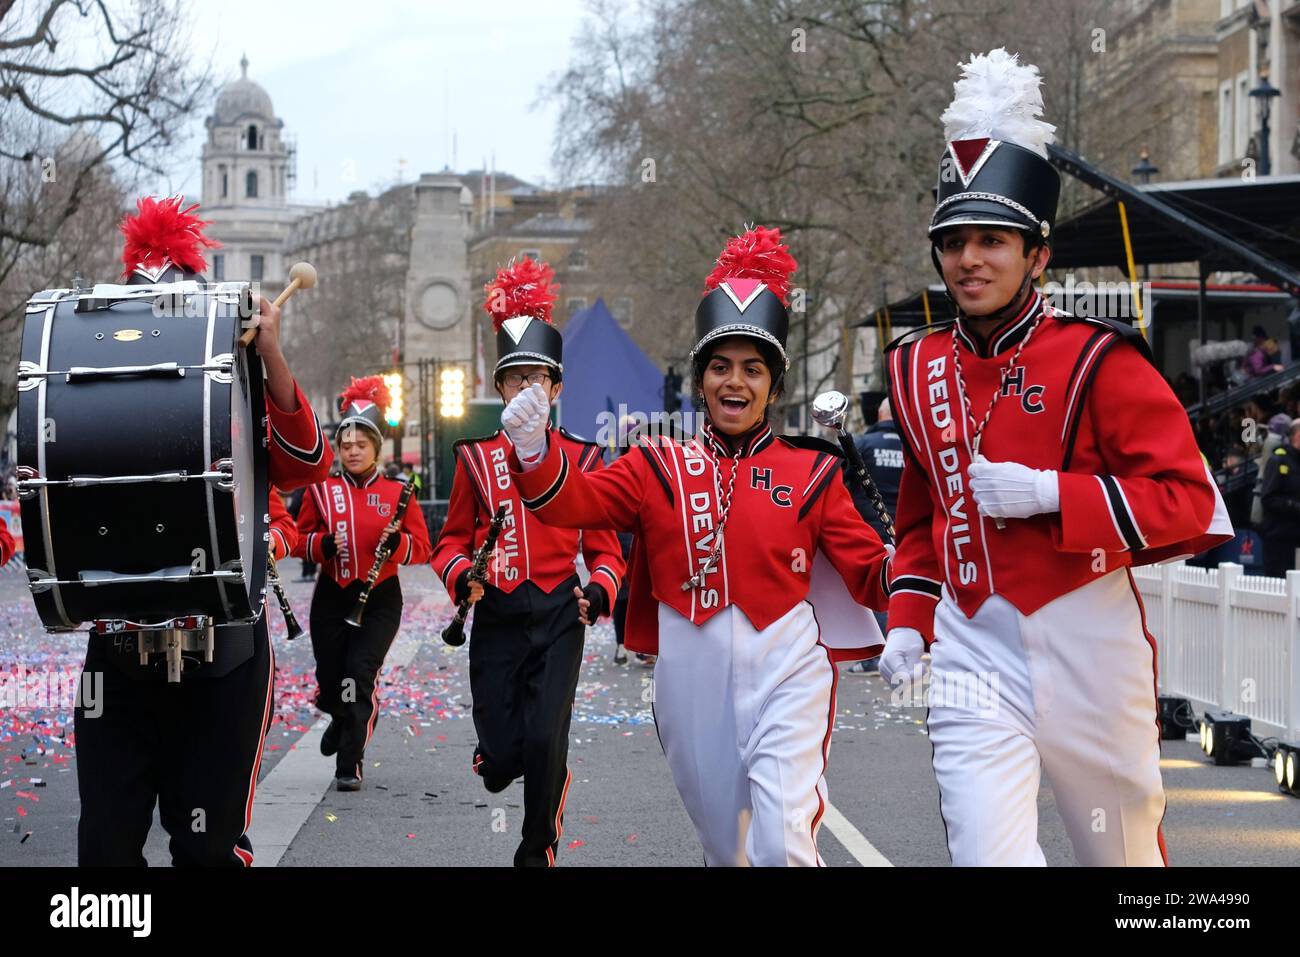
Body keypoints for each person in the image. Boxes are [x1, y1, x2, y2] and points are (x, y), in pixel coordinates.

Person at [878, 51, 1232, 867]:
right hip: (971, 647)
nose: (970, 259)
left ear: (1038, 254)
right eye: (954, 241)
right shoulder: (913, 366)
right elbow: (922, 519)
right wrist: (906, 620)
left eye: (993, 241)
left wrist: (1052, 494)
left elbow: (1193, 503)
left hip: (1089, 645)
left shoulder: (1101, 359)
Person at [505, 227, 891, 866]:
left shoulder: (814, 471)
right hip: (688, 677)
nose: (734, 382)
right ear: (700, 379)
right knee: (727, 850)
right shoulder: (653, 464)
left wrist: (925, 581)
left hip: (789, 667)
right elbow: (571, 505)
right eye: (720, 366)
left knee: (782, 840)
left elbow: (871, 572)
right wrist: (534, 452)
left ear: (774, 385)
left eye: (752, 368)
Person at [74, 197, 332, 866]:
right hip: (120, 651)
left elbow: (307, 464)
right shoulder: (96, 380)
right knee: (104, 849)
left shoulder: (239, 363)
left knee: (206, 849)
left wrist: (270, 350)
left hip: (224, 652)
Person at [430, 257, 626, 867]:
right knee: (501, 758)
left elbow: (605, 549)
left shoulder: (586, 459)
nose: (525, 391)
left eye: (536, 380)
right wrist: (463, 576)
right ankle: (496, 761)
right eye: (514, 380)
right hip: (496, 616)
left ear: (557, 388)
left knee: (547, 736)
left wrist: (599, 589)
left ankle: (536, 845)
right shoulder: (472, 458)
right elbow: (449, 541)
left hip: (558, 613)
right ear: (499, 388)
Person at [292, 377, 432, 790]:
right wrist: (321, 545)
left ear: (376, 448)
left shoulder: (399, 491)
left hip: (380, 598)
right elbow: (299, 541)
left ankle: (349, 763)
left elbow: (423, 547)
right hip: (332, 596)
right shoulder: (320, 491)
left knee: (360, 673)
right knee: (332, 678)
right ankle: (336, 714)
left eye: (361, 445)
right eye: (346, 445)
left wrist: (399, 545)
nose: (353, 451)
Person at [1259, 418, 1300, 577]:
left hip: (1296, 538)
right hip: (1279, 539)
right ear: (1297, 436)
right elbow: (1268, 498)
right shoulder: (1278, 460)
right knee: (1279, 586)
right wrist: (1295, 507)